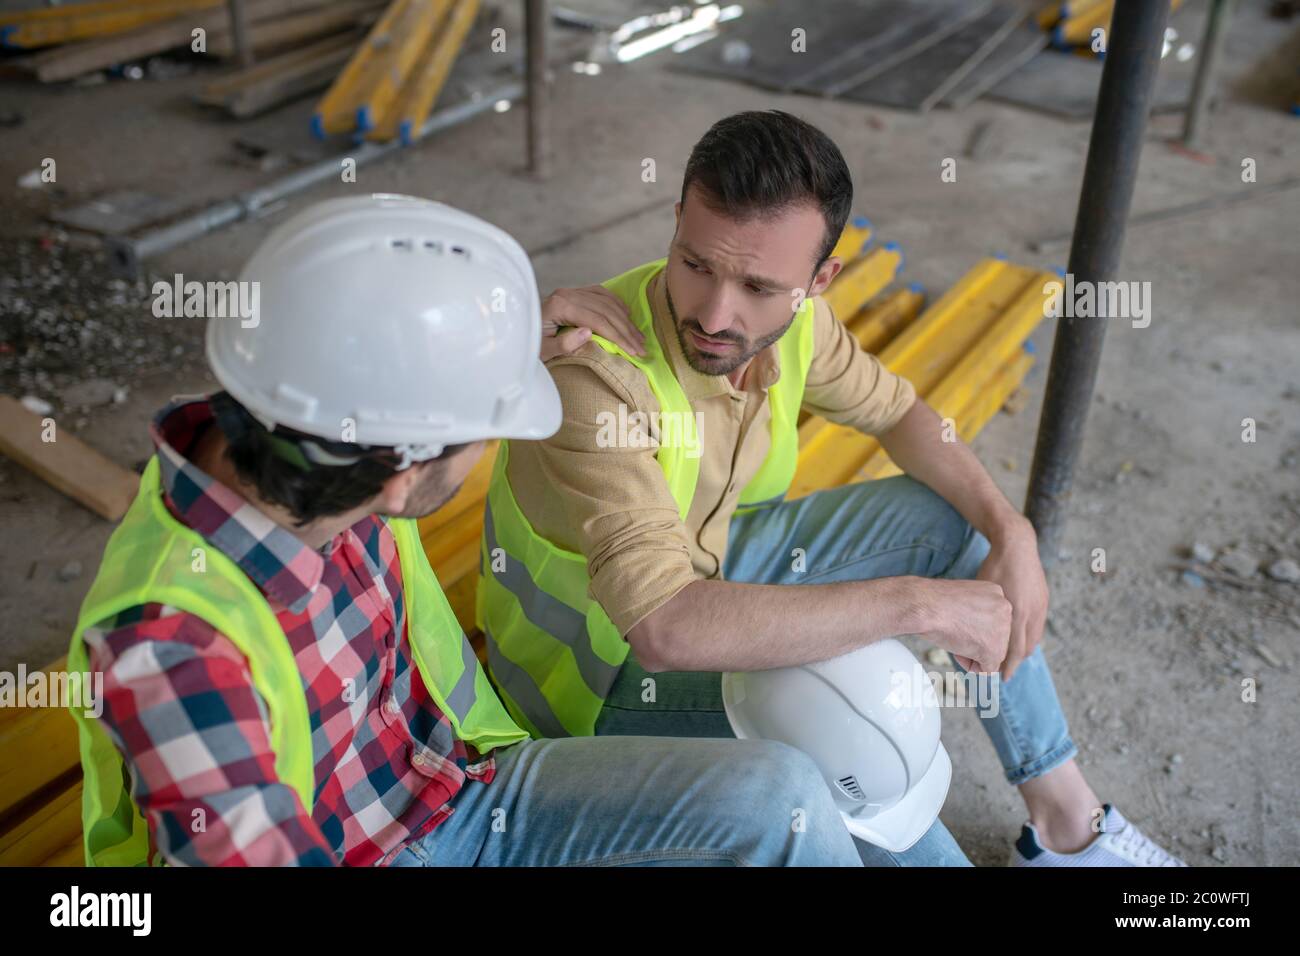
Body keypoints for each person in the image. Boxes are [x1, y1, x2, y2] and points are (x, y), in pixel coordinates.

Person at [67, 193, 867, 867]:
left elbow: (365, 332)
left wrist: (504, 346)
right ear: (404, 475)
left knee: (783, 798)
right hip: (373, 849)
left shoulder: (296, 432)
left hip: (465, 781)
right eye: (483, 431)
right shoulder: (173, 656)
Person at [479, 112, 1187, 867]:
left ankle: (1064, 823)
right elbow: (666, 630)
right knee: (855, 730)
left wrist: (1014, 531)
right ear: (676, 223)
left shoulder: (800, 326)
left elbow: (903, 414)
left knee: (959, 517)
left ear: (819, 283)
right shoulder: (599, 375)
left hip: (714, 562)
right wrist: (917, 605)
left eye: (757, 285)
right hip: (599, 680)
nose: (716, 314)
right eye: (695, 264)